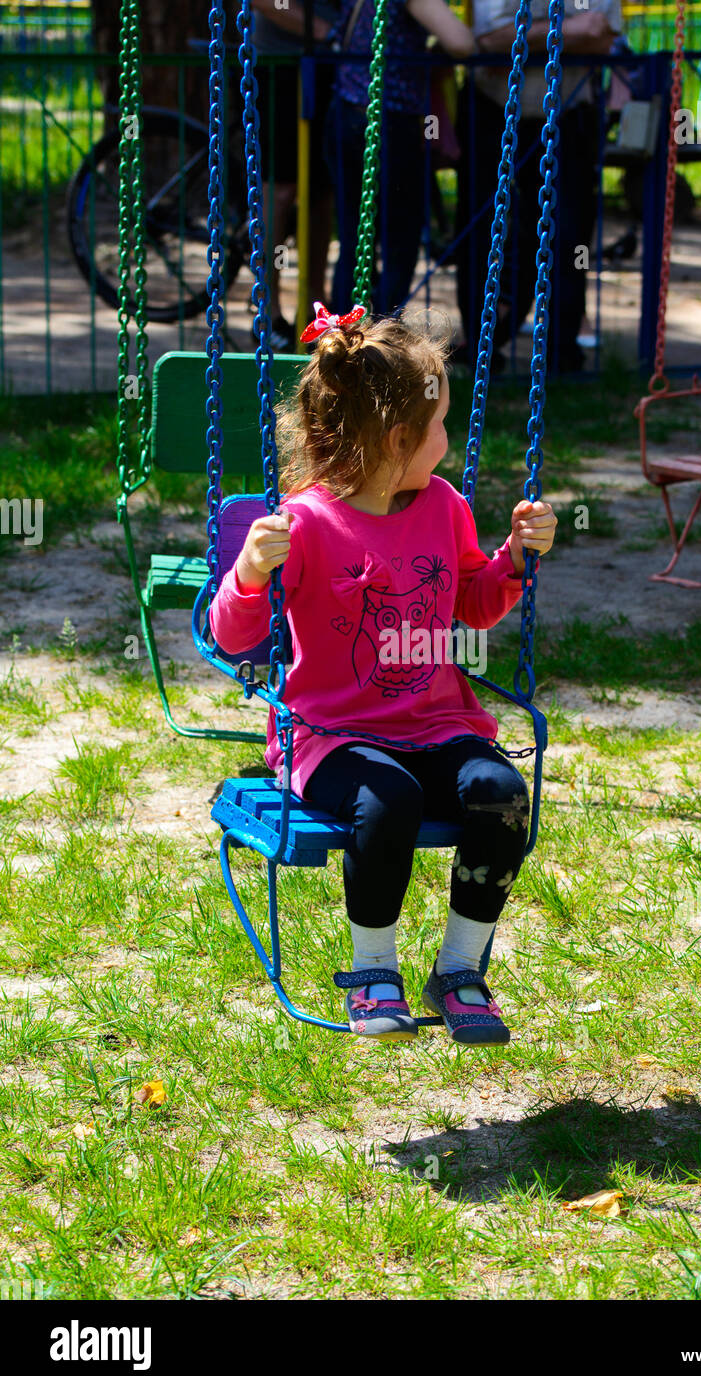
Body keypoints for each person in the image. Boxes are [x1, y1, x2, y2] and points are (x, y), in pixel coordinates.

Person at [210, 308, 557, 1044]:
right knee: (387, 799)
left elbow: (474, 602)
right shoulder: (303, 525)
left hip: (435, 726)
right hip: (331, 738)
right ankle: (373, 972)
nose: (448, 443)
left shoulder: (444, 506)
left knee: (500, 796)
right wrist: (247, 572)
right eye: (439, 428)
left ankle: (460, 968)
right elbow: (231, 636)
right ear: (398, 440)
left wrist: (515, 561)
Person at [456, 0, 621, 374]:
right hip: (492, 112)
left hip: (568, 117)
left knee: (568, 236)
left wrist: (529, 34)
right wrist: (570, 31)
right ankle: (484, 344)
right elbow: (489, 38)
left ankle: (561, 351)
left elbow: (603, 37)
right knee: (482, 232)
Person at [325, 0, 477, 317]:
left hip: (345, 114)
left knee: (355, 240)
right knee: (399, 243)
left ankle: (341, 343)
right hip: (389, 121)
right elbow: (461, 43)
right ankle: (383, 338)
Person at [251, 0, 339, 348]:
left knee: (322, 192)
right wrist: (322, 31)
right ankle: (266, 309)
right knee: (281, 190)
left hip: (329, 68)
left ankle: (315, 305)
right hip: (280, 70)